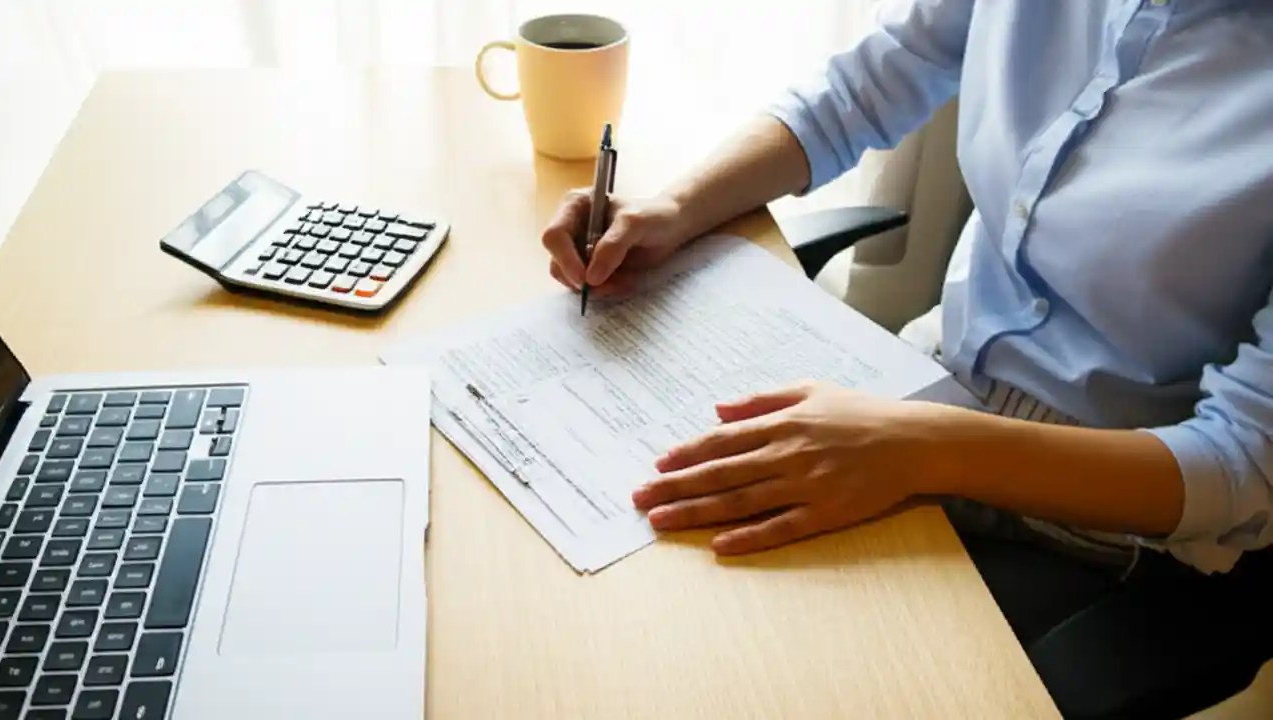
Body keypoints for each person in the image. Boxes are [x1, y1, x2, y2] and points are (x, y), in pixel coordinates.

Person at [541, 1, 1272, 653]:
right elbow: (864, 87)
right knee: (646, 595)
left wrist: (921, 447)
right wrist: (677, 208)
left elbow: (1241, 467)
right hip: (923, 383)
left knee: (762, 653)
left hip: (1102, 515)